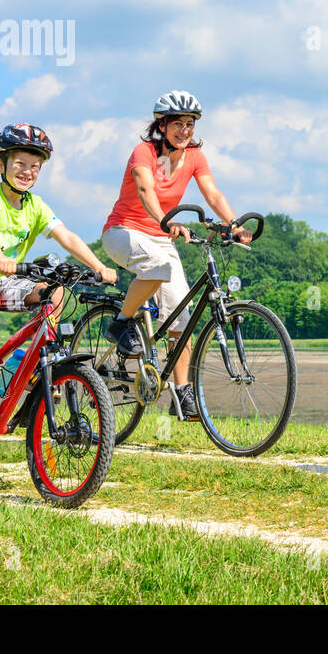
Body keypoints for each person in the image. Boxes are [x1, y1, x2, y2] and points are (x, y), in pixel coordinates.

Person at [0, 124, 118, 469]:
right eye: (20, 163)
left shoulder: (35, 206)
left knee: (57, 291)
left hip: (10, 282)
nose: (27, 172)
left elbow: (66, 236)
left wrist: (98, 266)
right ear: (0, 163)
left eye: (35, 167)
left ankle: (33, 361)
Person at [99, 90, 251, 420]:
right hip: (123, 232)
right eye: (178, 124)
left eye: (190, 124)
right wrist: (166, 221)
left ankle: (182, 394)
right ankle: (121, 323)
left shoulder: (195, 155)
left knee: (182, 316)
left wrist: (233, 224)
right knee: (157, 266)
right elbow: (144, 190)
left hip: (160, 237)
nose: (185, 130)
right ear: (162, 124)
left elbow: (212, 193)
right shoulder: (144, 151)